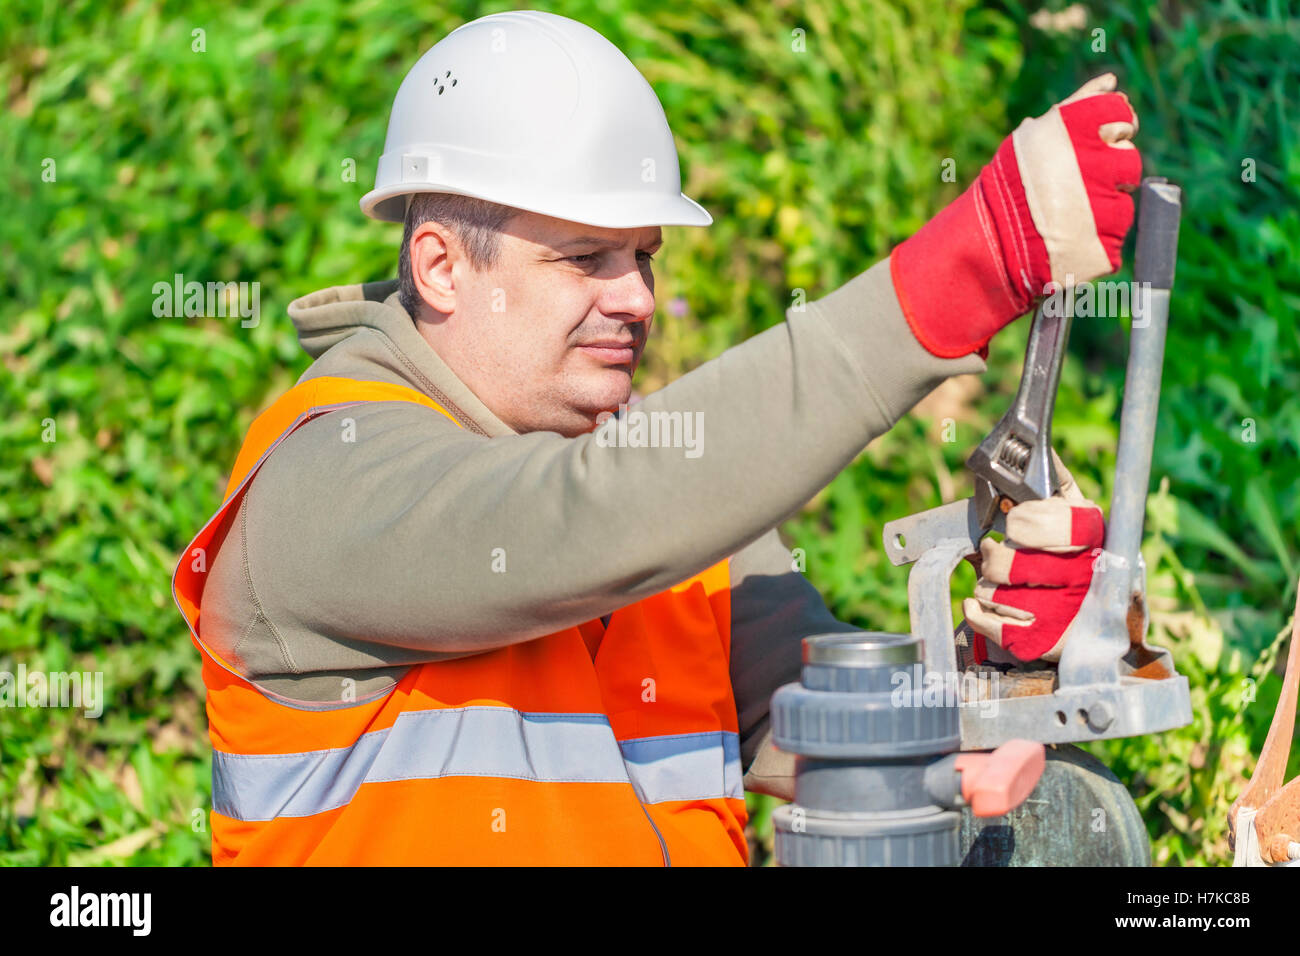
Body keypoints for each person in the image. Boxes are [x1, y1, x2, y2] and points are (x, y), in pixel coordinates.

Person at [173, 10, 1141, 865]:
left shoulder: (672, 511)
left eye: (642, 255)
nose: (636, 297)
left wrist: (994, 677)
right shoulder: (325, 477)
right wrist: (955, 276)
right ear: (440, 267)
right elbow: (586, 516)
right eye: (586, 256)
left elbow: (832, 732)